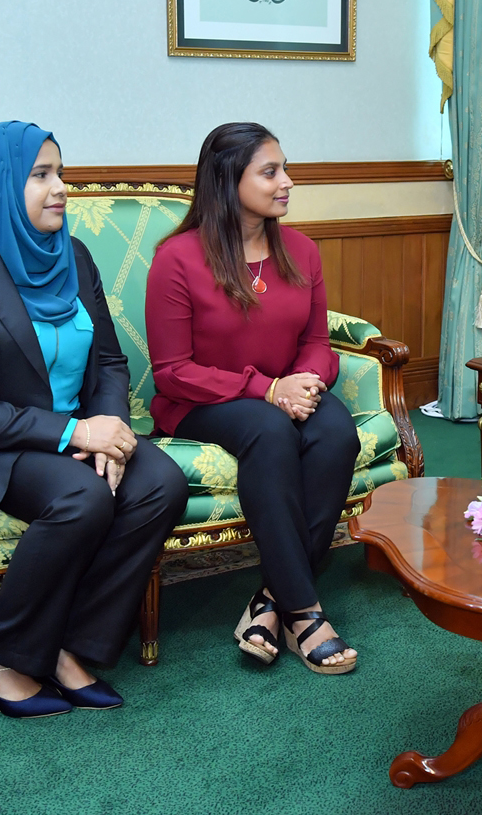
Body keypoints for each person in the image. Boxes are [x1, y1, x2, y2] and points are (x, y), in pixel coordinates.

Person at [0, 121, 189, 718]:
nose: (61, 189)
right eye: (40, 175)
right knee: (82, 497)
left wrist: (106, 430)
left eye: (61, 173)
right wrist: (74, 433)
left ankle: (67, 645)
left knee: (160, 483)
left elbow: (107, 359)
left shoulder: (72, 254)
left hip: (71, 425)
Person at [145, 122, 360, 675]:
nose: (287, 181)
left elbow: (317, 343)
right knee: (268, 431)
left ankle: (268, 601)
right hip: (204, 399)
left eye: (285, 168)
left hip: (288, 390)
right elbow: (172, 371)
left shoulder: (303, 253)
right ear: (227, 179)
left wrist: (307, 381)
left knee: (337, 432)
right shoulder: (178, 257)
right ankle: (305, 612)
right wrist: (267, 389)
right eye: (271, 171)